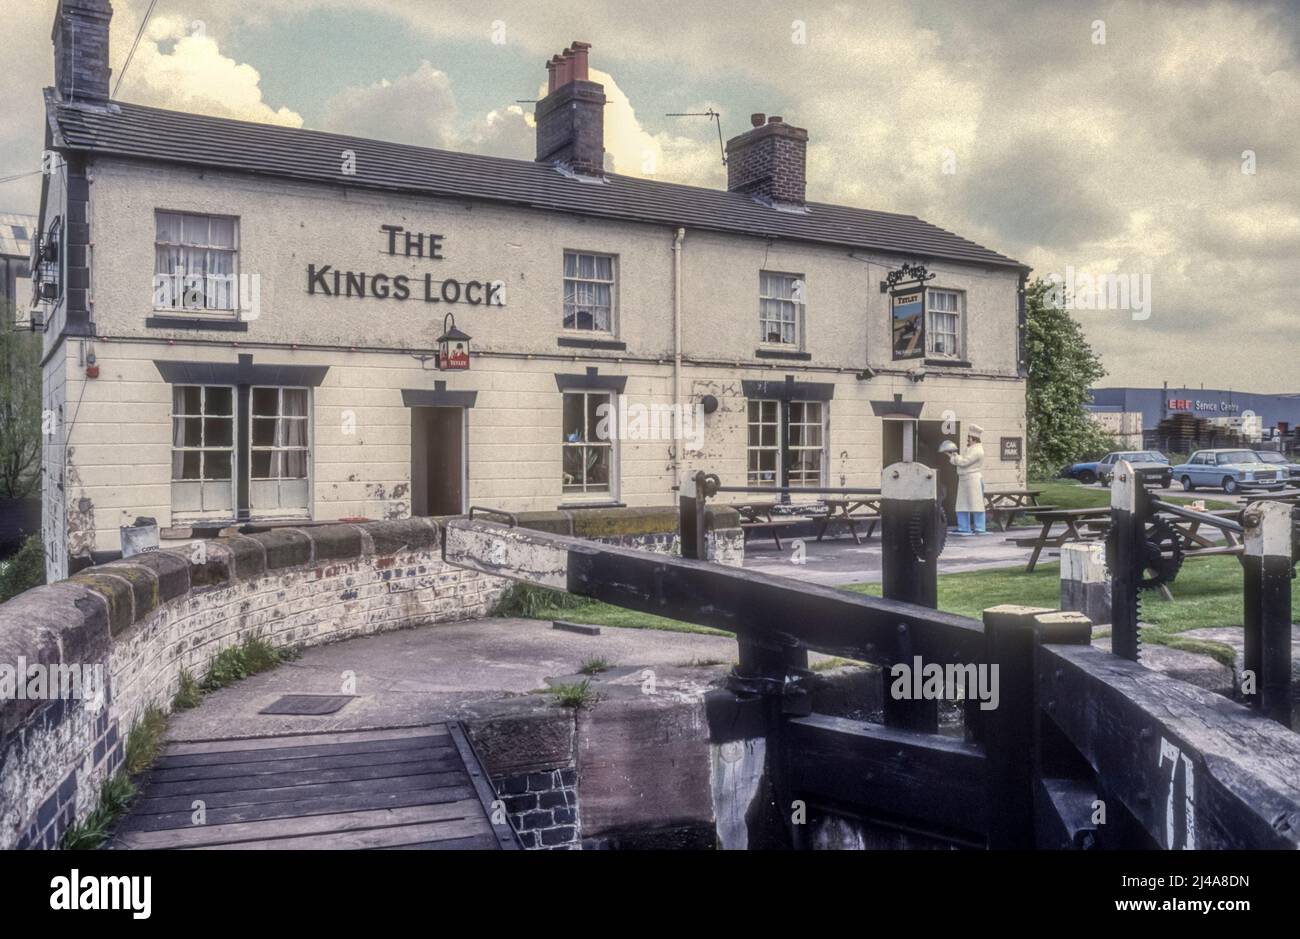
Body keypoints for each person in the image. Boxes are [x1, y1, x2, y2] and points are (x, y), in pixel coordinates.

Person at [948, 424, 986, 534]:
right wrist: (954, 457)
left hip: (973, 479)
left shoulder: (978, 450)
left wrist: (954, 457)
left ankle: (980, 527)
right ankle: (963, 527)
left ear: (974, 439)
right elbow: (961, 461)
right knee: (961, 504)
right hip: (965, 479)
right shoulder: (970, 449)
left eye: (969, 437)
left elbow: (964, 462)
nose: (967, 440)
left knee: (976, 504)